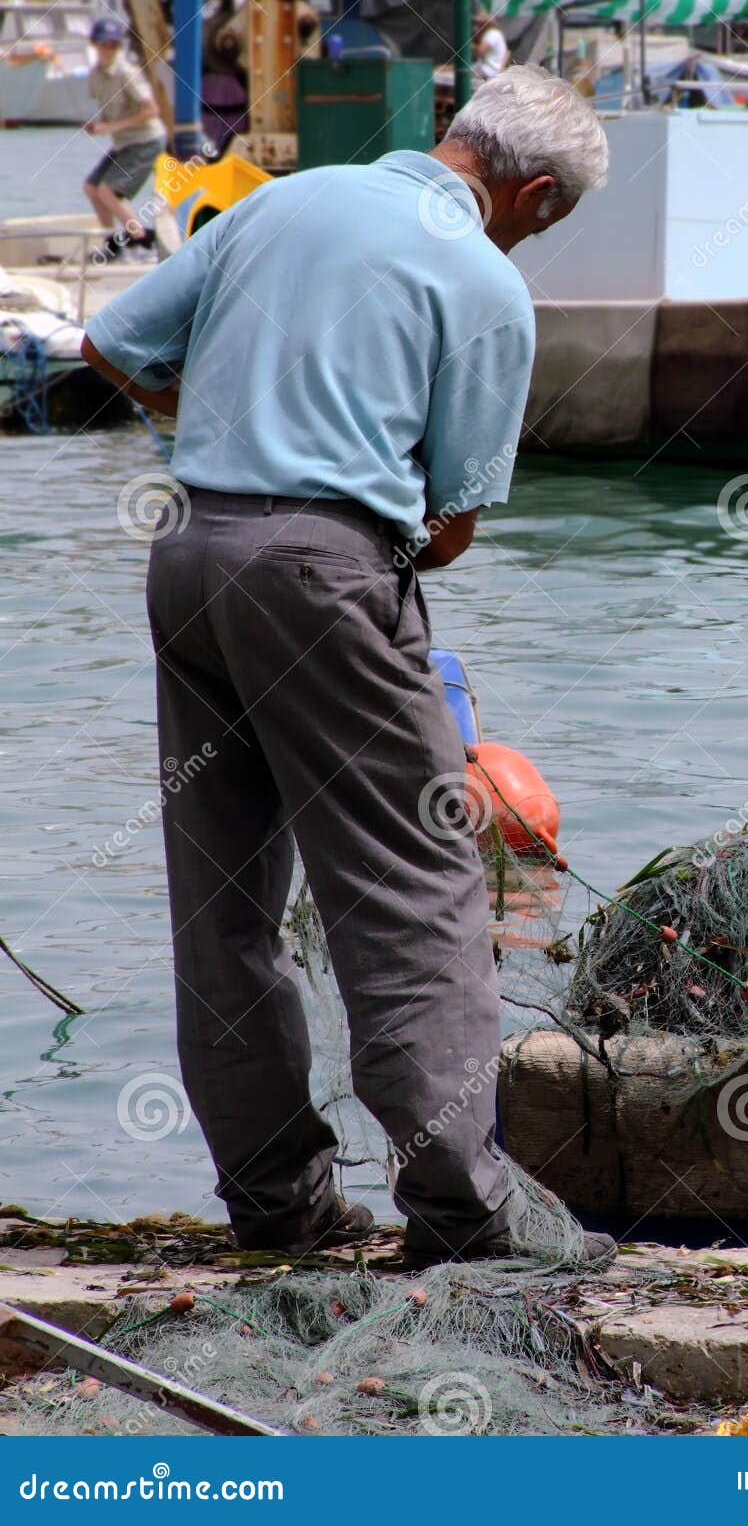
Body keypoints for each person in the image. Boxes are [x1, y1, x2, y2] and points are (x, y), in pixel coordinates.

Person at [80, 66, 612, 1269]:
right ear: (528, 191)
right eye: (548, 219)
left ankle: (275, 1204)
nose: (535, 239)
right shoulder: (483, 283)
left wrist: (211, 431)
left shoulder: (279, 201)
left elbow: (108, 341)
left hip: (189, 549)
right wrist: (348, 553)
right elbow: (457, 521)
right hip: (323, 572)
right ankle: (465, 1212)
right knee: (414, 886)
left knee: (223, 899)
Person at [82, 18, 167, 261]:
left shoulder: (127, 73)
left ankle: (143, 242)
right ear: (94, 45)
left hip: (146, 140)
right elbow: (107, 111)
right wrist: (97, 125)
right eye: (104, 45)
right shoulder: (95, 76)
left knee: (108, 191)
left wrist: (112, 127)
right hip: (124, 143)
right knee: (91, 188)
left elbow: (151, 110)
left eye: (113, 46)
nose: (108, 50)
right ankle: (111, 243)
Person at [472, 11, 509, 81]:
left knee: (461, 73)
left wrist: (470, 46)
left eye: (479, 23)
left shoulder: (492, 34)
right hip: (483, 68)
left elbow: (480, 51)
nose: (476, 26)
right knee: (454, 69)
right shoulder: (490, 33)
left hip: (489, 70)